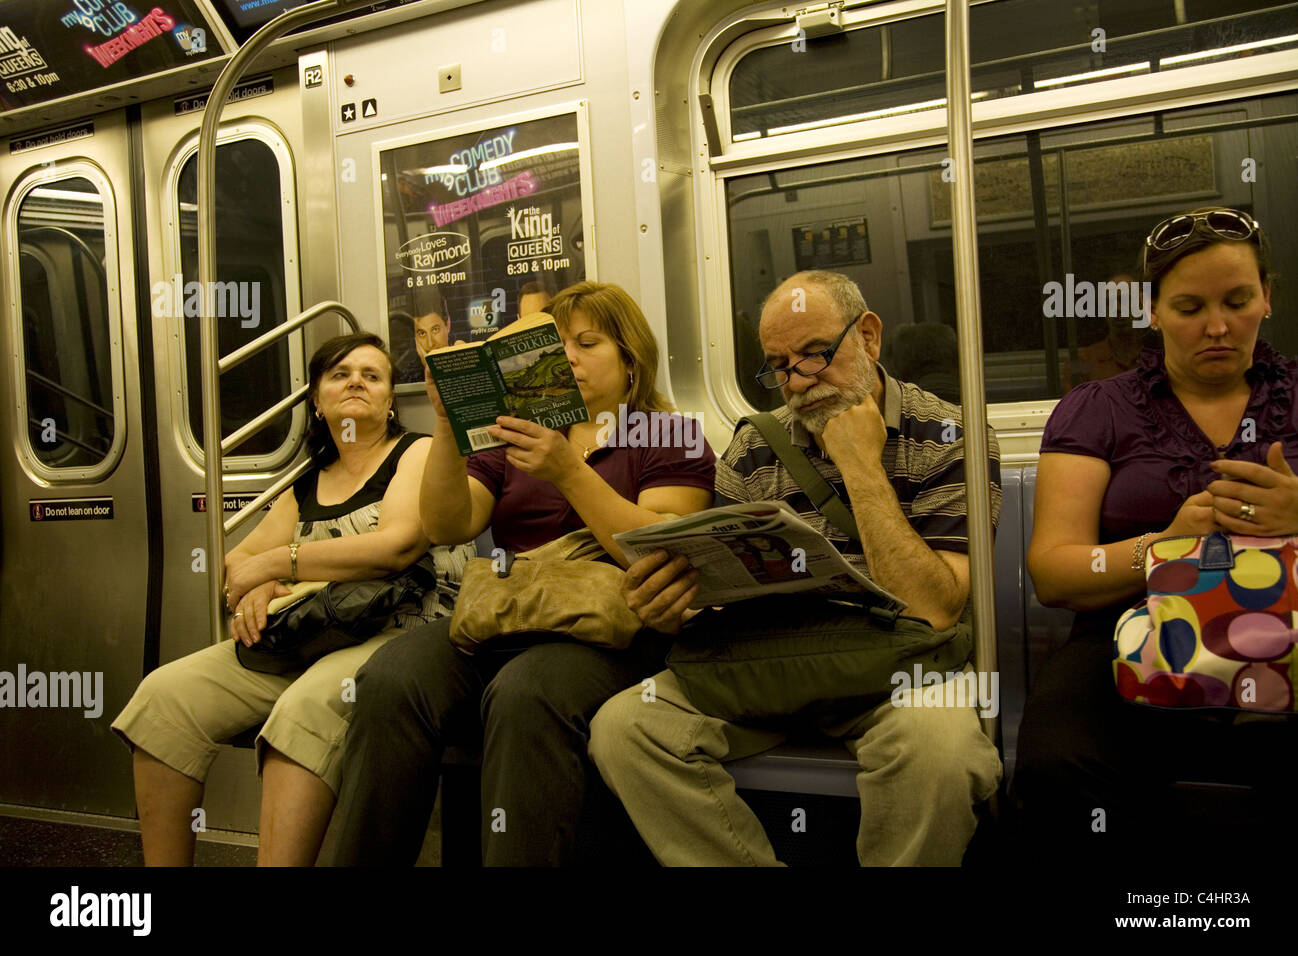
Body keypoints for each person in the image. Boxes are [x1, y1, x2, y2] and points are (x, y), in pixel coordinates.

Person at [588, 270, 1004, 866]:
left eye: (815, 354)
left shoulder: (952, 436)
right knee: (626, 730)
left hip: (893, 669)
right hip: (772, 659)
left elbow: (936, 608)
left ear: (868, 336)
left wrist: (861, 466)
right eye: (779, 366)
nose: (799, 382)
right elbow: (720, 594)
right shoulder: (756, 445)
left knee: (942, 755)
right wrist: (673, 604)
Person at [327, 281, 716, 866]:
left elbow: (658, 551)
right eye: (558, 348)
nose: (571, 359)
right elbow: (447, 523)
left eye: (588, 344)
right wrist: (448, 426)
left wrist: (569, 473)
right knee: (390, 679)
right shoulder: (517, 434)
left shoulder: (667, 434)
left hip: (621, 626)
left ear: (630, 360)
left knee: (526, 691)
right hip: (511, 613)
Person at [112, 333, 471, 866]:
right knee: (164, 696)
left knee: (302, 709)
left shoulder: (415, 453)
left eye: (372, 376)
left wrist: (281, 564)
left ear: (391, 401)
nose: (356, 383)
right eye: (339, 374)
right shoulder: (304, 483)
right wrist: (255, 586)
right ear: (317, 402)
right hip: (311, 633)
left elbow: (396, 546)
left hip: (401, 631)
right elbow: (236, 562)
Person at [1014, 207, 1298, 860]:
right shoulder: (1098, 410)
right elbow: (1055, 573)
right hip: (1129, 635)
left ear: (1268, 298)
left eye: (1238, 300)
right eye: (1190, 306)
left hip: (1290, 632)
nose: (1218, 327)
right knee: (1059, 767)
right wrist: (1166, 547)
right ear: (1153, 311)